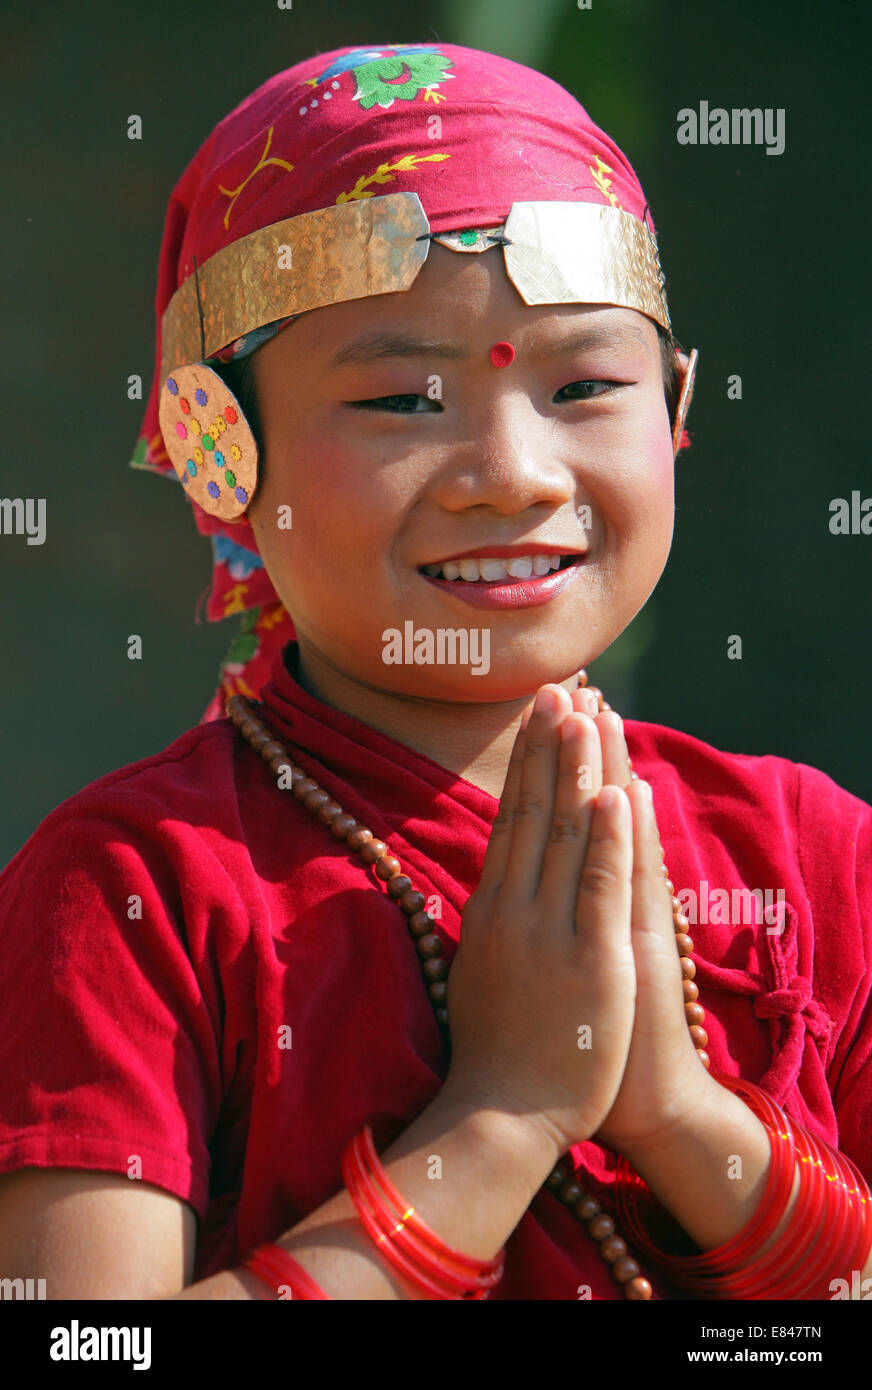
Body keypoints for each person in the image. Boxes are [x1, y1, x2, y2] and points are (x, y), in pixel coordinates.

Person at [0, 41, 869, 1302]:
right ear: (218, 447)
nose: (510, 472)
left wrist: (677, 1110)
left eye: (583, 384)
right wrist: (500, 1121)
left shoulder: (812, 855)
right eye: (404, 401)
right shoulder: (132, 892)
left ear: (674, 410)